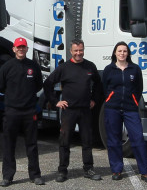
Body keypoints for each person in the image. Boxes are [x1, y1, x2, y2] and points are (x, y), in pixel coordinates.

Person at [43, 39, 103, 182]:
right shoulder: (64, 68)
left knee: (87, 140)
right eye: (75, 50)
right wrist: (55, 101)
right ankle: (62, 171)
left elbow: (98, 84)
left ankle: (88, 169)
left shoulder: (90, 66)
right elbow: (47, 84)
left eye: (81, 50)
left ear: (83, 50)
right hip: (69, 111)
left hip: (85, 110)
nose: (78, 53)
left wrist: (94, 99)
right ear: (71, 51)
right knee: (65, 141)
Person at [101, 42, 147, 182]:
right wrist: (110, 98)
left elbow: (139, 88)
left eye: (125, 51)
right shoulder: (109, 69)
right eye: (119, 51)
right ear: (115, 53)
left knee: (138, 139)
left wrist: (134, 101)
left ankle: (145, 172)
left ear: (128, 53)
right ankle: (116, 170)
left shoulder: (134, 69)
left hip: (130, 109)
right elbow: (104, 87)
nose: (122, 53)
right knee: (114, 140)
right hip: (113, 109)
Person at [0, 37, 45, 187]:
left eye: (23, 47)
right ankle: (7, 176)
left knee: (32, 145)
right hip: (12, 111)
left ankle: (35, 175)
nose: (21, 49)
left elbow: (38, 85)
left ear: (27, 49)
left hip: (29, 111)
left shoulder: (33, 66)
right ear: (14, 49)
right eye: (18, 47)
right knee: (9, 145)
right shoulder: (7, 67)